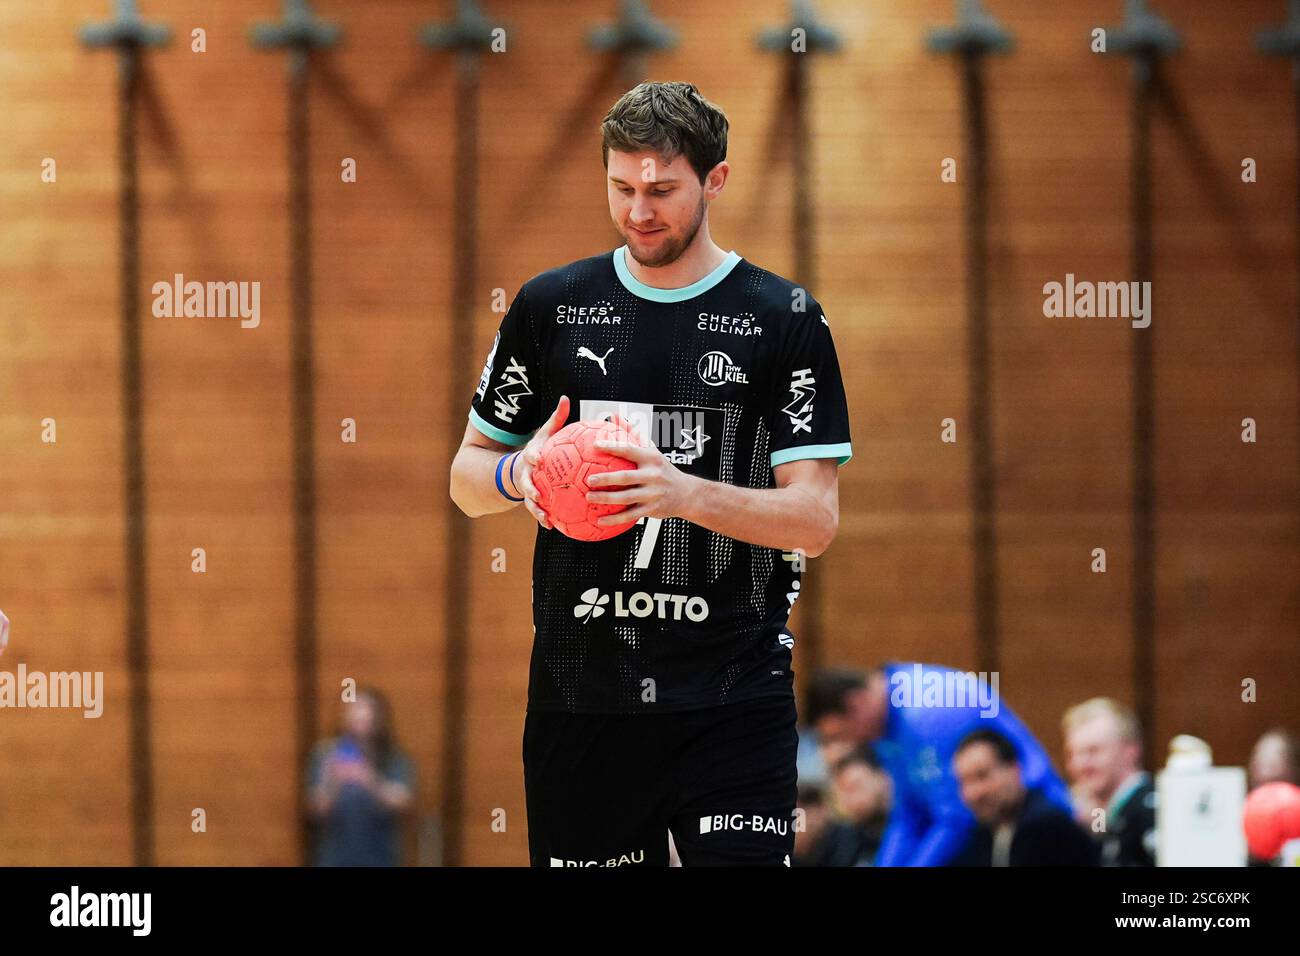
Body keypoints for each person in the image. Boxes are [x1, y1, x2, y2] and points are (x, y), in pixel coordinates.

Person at [449, 81, 853, 867]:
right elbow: (466, 478)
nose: (639, 210)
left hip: (734, 695)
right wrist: (518, 474)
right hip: (582, 698)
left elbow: (815, 519)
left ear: (716, 181)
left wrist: (683, 493)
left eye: (663, 190)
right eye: (622, 188)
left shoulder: (784, 319)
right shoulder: (551, 306)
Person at [804, 664, 1072, 866]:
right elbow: (908, 815)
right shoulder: (887, 723)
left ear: (856, 703)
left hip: (1036, 825)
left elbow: (956, 817)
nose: (849, 745)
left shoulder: (926, 713)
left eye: (840, 735)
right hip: (988, 830)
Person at [952, 729, 1098, 867]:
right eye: (964, 782)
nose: (973, 793)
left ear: (1015, 769)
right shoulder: (980, 837)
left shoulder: (1049, 830)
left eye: (982, 776)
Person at [305, 687, 415, 867]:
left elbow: (403, 804)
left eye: (367, 710)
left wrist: (369, 779)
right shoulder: (324, 754)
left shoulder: (394, 757)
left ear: (380, 719)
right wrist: (333, 782)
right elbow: (316, 810)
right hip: (334, 859)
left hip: (381, 859)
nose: (360, 716)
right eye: (355, 710)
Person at [1062, 697, 1156, 866]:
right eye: (1072, 754)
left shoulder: (1152, 811)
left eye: (1093, 751)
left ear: (1130, 751)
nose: (1080, 765)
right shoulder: (1099, 816)